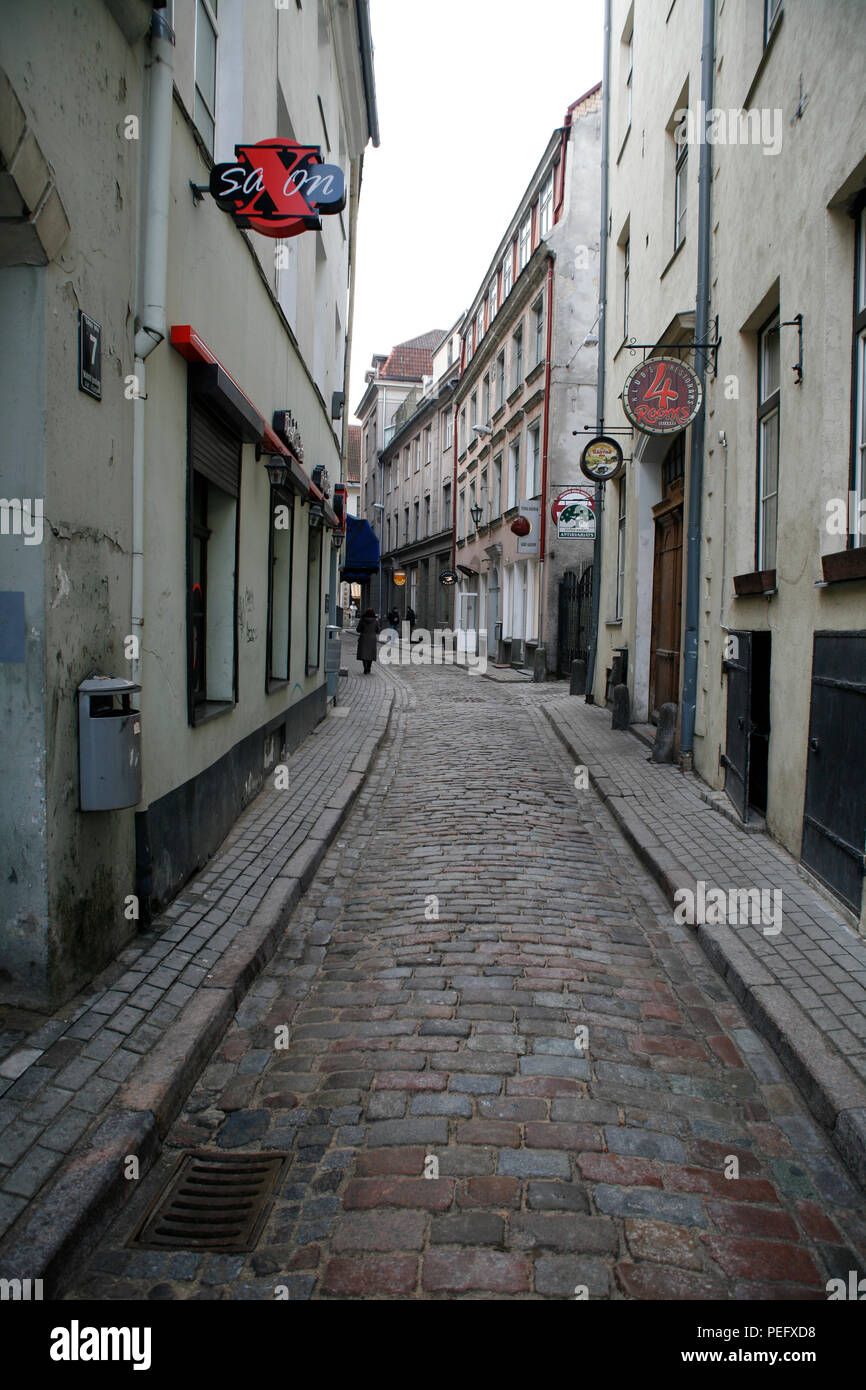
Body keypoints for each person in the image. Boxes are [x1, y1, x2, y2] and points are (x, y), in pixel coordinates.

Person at [355, 607, 380, 674]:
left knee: (364, 654)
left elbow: (358, 630)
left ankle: (365, 668)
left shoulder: (362, 620)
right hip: (372, 639)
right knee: (370, 654)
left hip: (364, 638)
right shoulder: (375, 621)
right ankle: (369, 668)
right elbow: (378, 630)